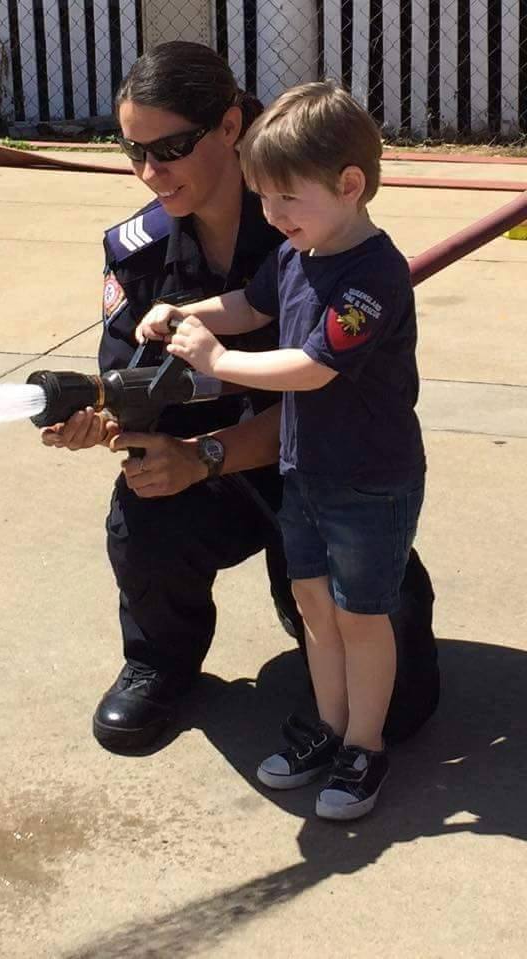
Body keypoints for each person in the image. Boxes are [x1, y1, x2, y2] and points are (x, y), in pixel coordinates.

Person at [41, 41, 439, 757]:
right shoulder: (138, 251)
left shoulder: (309, 227)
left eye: (169, 148)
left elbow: (322, 388)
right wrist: (98, 422)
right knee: (142, 509)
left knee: (402, 699)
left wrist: (207, 454)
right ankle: (162, 659)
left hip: (326, 467)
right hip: (218, 475)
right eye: (132, 150)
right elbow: (128, 382)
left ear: (230, 127)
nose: (147, 173)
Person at [138, 81, 424, 819]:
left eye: (285, 199)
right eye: (263, 198)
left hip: (369, 480)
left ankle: (366, 743)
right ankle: (328, 728)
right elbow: (250, 306)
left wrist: (215, 360)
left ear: (350, 185)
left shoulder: (370, 277)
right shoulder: (299, 250)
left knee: (364, 616)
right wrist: (182, 312)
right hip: (306, 470)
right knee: (313, 603)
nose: (272, 215)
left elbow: (313, 366)